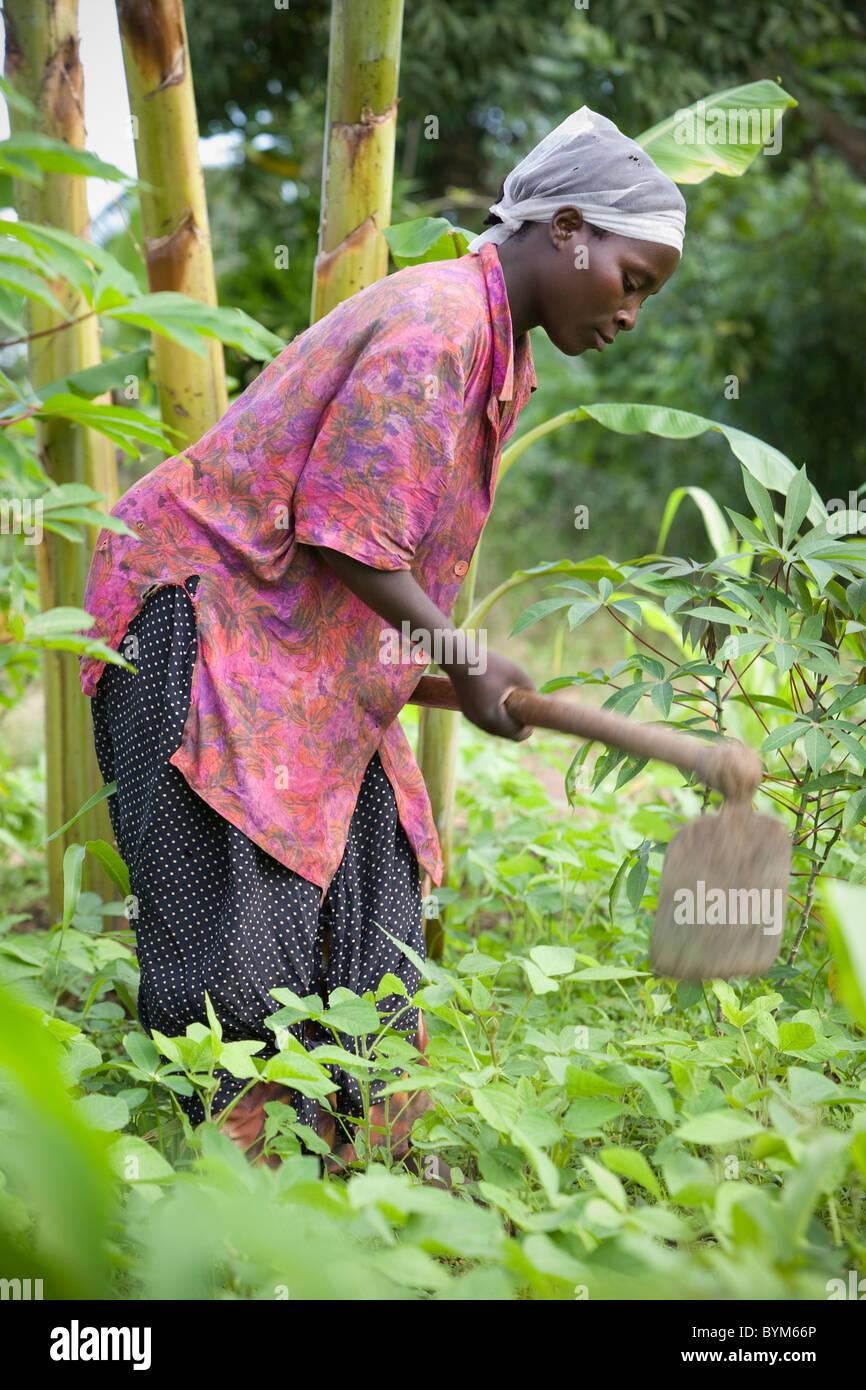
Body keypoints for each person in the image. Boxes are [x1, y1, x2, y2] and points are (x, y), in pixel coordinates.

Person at [79, 105, 685, 1176]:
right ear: (570, 230)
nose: (630, 311)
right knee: (241, 962)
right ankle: (233, 1222)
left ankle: (364, 1192)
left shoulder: (497, 356)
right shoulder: (440, 325)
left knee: (376, 915)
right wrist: (463, 656)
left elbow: (370, 568)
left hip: (299, 653)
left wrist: (457, 679)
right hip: (201, 622)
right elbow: (345, 530)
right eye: (631, 279)